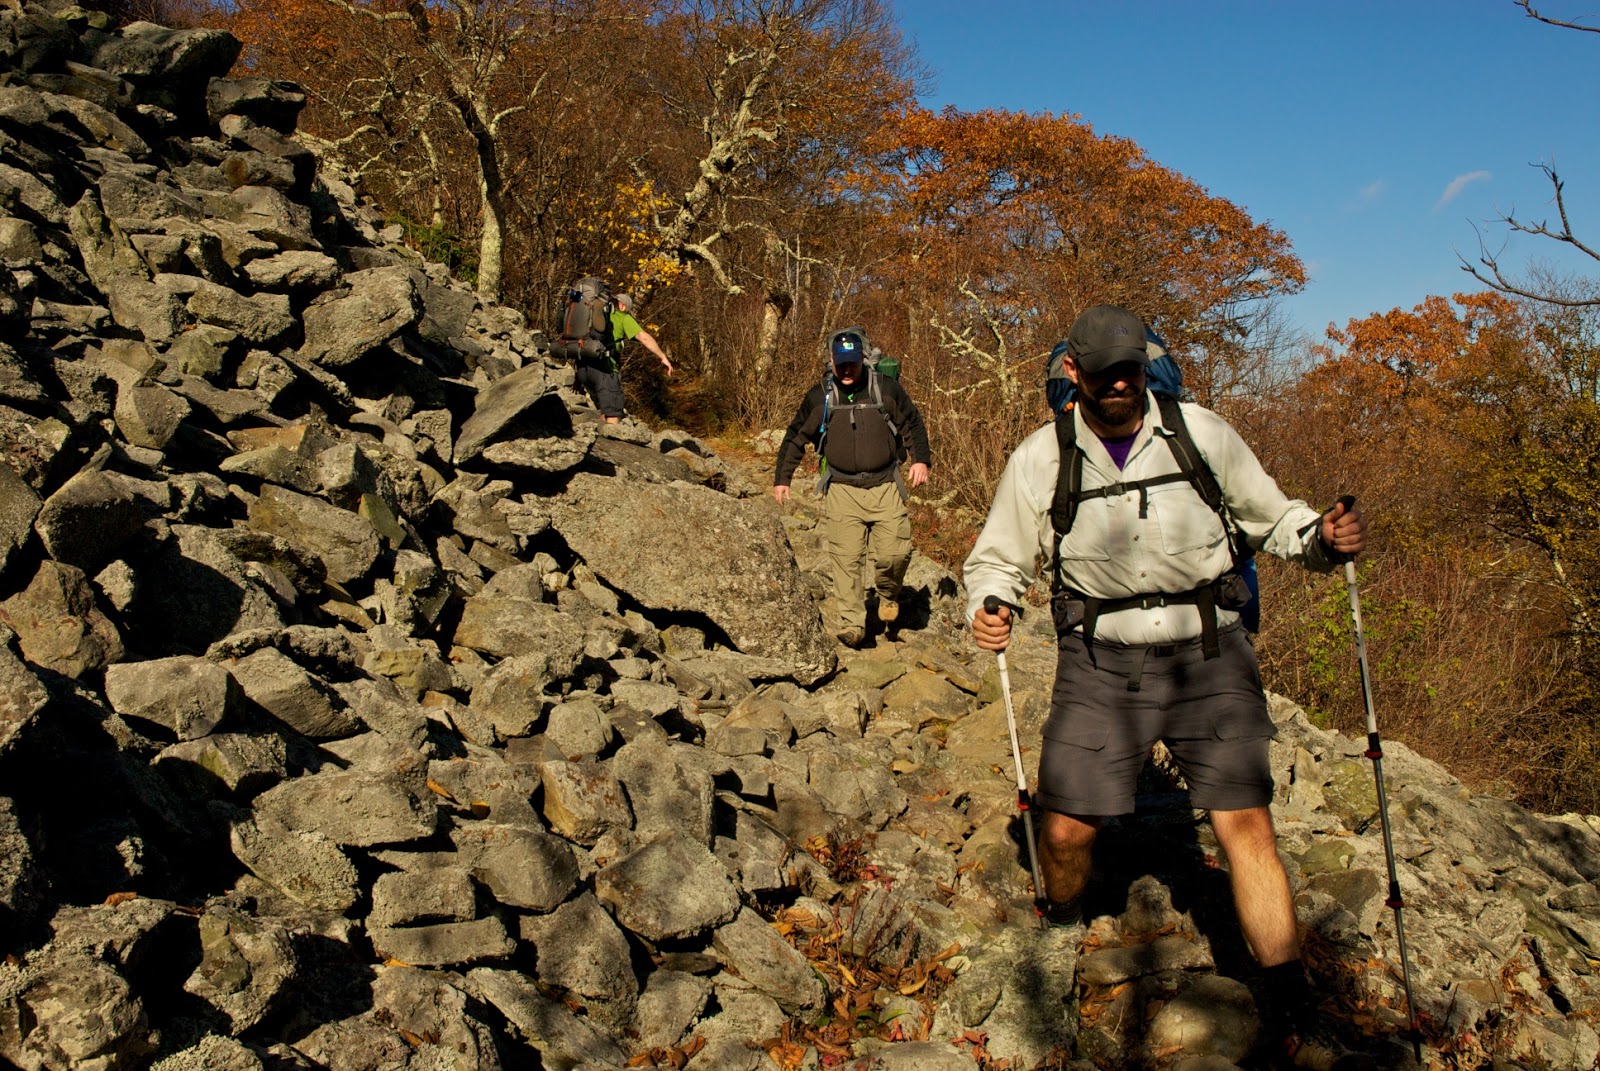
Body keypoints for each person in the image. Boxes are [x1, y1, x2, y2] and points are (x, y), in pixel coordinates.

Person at [963, 304, 1367, 1069]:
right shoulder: (1041, 457)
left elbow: (1275, 521)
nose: (1120, 385)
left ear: (1144, 368)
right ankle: (1065, 919)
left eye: (1131, 370)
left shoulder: (1201, 433)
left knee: (1244, 824)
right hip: (1098, 661)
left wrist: (1322, 538)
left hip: (1209, 653)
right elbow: (998, 557)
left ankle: (1287, 1001)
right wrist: (990, 604)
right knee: (1063, 830)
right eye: (1103, 372)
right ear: (1073, 373)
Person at [773, 328, 932, 647]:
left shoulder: (885, 389)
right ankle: (852, 625)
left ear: (862, 360)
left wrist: (920, 460)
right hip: (842, 489)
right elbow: (795, 436)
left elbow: (911, 422)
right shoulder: (820, 396)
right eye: (841, 364)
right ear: (832, 361)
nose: (847, 370)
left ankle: (888, 593)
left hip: (886, 485)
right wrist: (782, 478)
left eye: (852, 364)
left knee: (894, 555)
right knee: (846, 560)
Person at [574, 290, 673, 424]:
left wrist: (577, 377)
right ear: (622, 306)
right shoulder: (622, 317)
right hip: (605, 370)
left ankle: (600, 442)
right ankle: (610, 444)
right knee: (613, 413)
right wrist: (663, 357)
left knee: (604, 410)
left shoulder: (591, 313)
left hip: (583, 369)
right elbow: (643, 337)